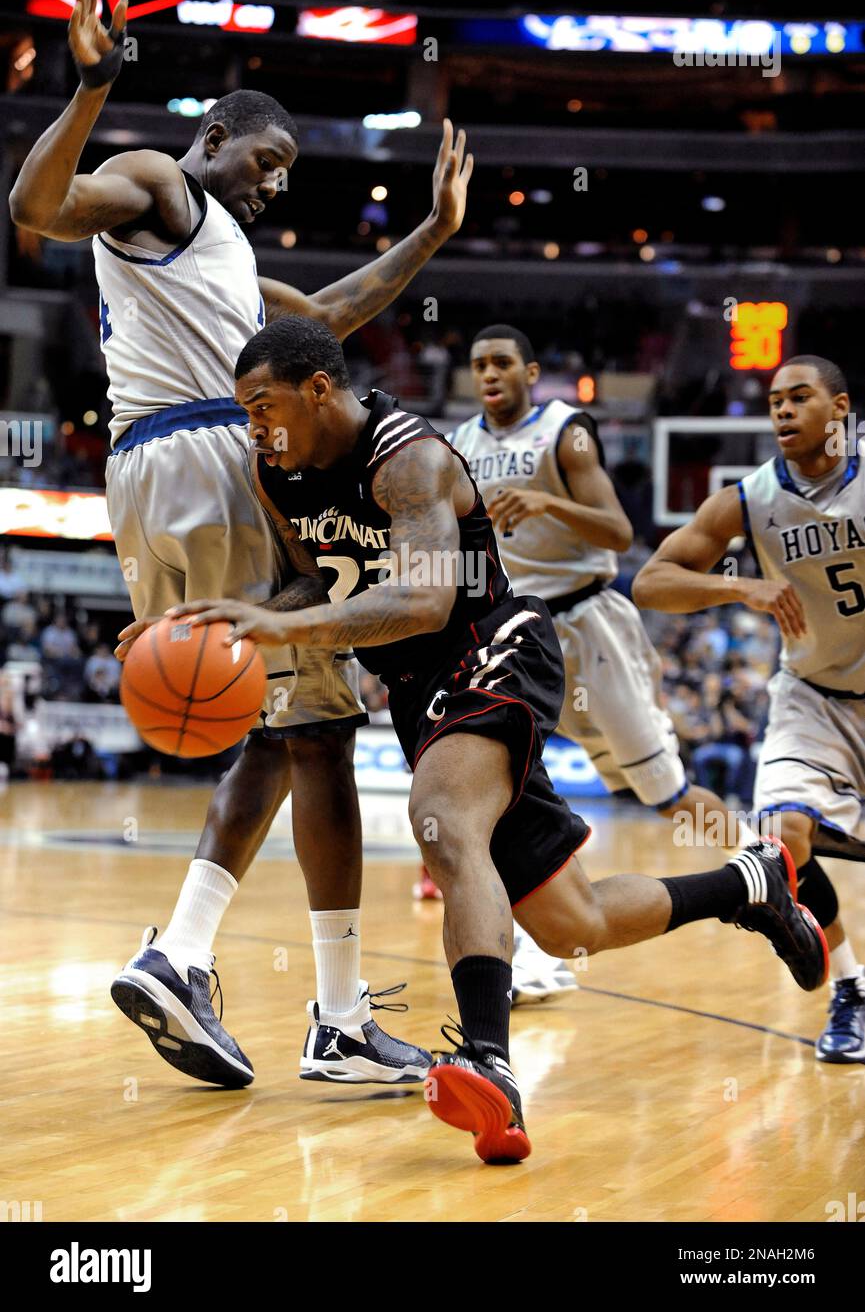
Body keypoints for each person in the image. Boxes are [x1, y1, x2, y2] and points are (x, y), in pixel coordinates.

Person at [150, 314, 827, 1163]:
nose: (252, 427)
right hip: (416, 692)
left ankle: (489, 1065)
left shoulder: (410, 459)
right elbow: (318, 584)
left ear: (318, 389)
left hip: (492, 647)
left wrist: (284, 629)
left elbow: (425, 600)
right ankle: (748, 884)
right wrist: (218, 628)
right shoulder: (274, 472)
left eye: (261, 407)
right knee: (573, 924)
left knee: (441, 819)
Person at [10, 0, 473, 1088]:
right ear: (215, 136)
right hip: (213, 453)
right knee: (318, 728)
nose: (275, 182)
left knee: (277, 724)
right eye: (267, 160)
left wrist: (431, 232)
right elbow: (35, 210)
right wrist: (94, 88)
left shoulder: (220, 251)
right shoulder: (159, 184)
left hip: (147, 473)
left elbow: (328, 320)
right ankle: (334, 1015)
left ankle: (187, 954)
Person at [446, 325, 754, 1002]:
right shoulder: (461, 443)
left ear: (531, 373)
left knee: (665, 792)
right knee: (500, 792)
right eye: (478, 365)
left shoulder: (566, 432)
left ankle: (763, 863)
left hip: (589, 623)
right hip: (517, 633)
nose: (489, 374)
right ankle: (531, 953)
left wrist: (547, 501)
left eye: (502, 363)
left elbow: (619, 532)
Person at [633, 354, 865, 1064]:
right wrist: (741, 589)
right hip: (813, 695)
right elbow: (652, 581)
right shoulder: (750, 497)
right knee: (782, 832)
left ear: (840, 408)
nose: (783, 410)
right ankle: (850, 989)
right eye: (774, 401)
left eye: (800, 397)